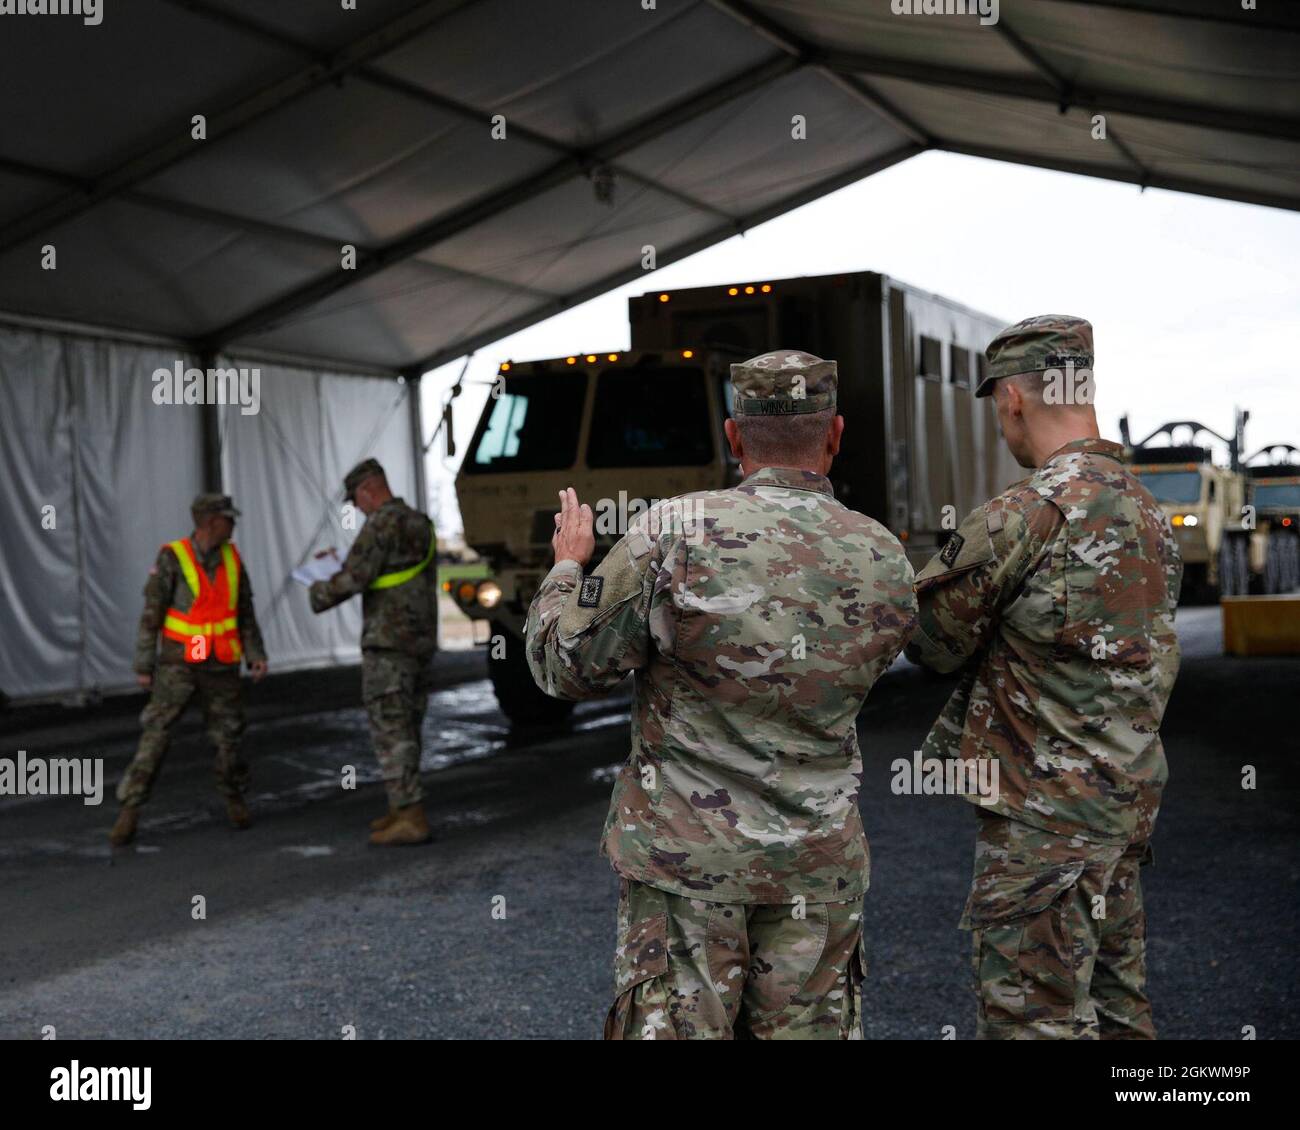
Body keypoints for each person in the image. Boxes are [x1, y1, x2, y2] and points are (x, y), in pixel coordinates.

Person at [526, 351, 917, 1039]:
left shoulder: (672, 532)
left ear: (734, 438)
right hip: (816, 870)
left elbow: (567, 667)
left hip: (688, 871)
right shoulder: (880, 552)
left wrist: (566, 567)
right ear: (835, 434)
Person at [906, 316, 1183, 1039]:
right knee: (1121, 1014)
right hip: (1121, 816)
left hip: (1042, 832)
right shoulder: (1148, 512)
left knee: (1035, 1022)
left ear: (1012, 400)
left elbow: (929, 641)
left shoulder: (1026, 514)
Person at [111, 493, 268, 845]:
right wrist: (143, 664)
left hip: (220, 664)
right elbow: (152, 614)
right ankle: (130, 809)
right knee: (157, 733)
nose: (234, 524)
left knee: (229, 736)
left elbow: (245, 613)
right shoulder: (173, 557)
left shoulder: (232, 559)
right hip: (179, 664)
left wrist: (255, 654)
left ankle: (234, 798)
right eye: (228, 518)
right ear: (210, 522)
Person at [309, 458, 438, 845]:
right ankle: (401, 808)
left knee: (390, 726)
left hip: (388, 642)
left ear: (368, 489)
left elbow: (355, 576)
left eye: (355, 500)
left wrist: (317, 589)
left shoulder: (380, 523)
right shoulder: (419, 521)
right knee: (408, 722)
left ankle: (411, 817)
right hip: (418, 640)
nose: (357, 508)